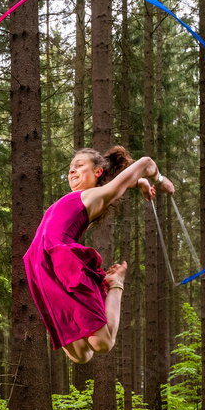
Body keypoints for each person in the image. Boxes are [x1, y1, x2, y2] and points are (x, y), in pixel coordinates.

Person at [24, 146, 175, 364]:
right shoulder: (85, 196)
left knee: (103, 343)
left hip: (59, 263)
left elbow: (147, 163)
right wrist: (140, 182)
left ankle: (116, 283)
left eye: (80, 165)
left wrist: (159, 180)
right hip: (40, 268)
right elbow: (122, 183)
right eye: (70, 168)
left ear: (97, 173)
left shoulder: (92, 196)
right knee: (82, 356)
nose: (72, 171)